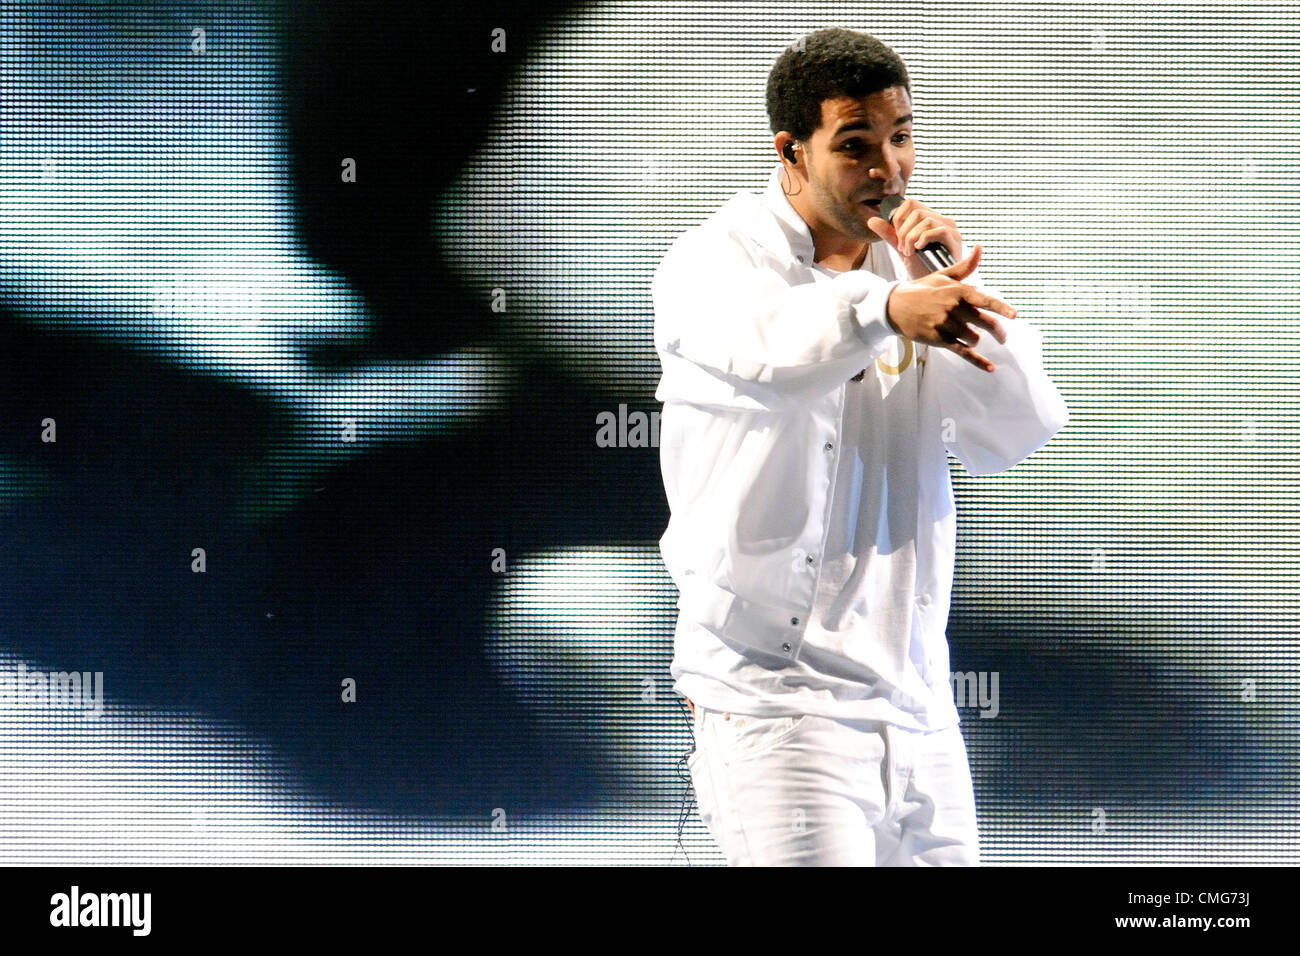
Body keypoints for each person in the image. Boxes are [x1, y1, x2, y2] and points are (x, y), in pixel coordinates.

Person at [652, 27, 1068, 866]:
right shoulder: (710, 262)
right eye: (856, 146)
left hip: (914, 694)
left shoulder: (913, 275)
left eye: (901, 137)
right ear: (791, 152)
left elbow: (1015, 429)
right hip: (775, 699)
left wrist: (945, 290)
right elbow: (769, 353)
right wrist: (881, 311)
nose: (889, 168)